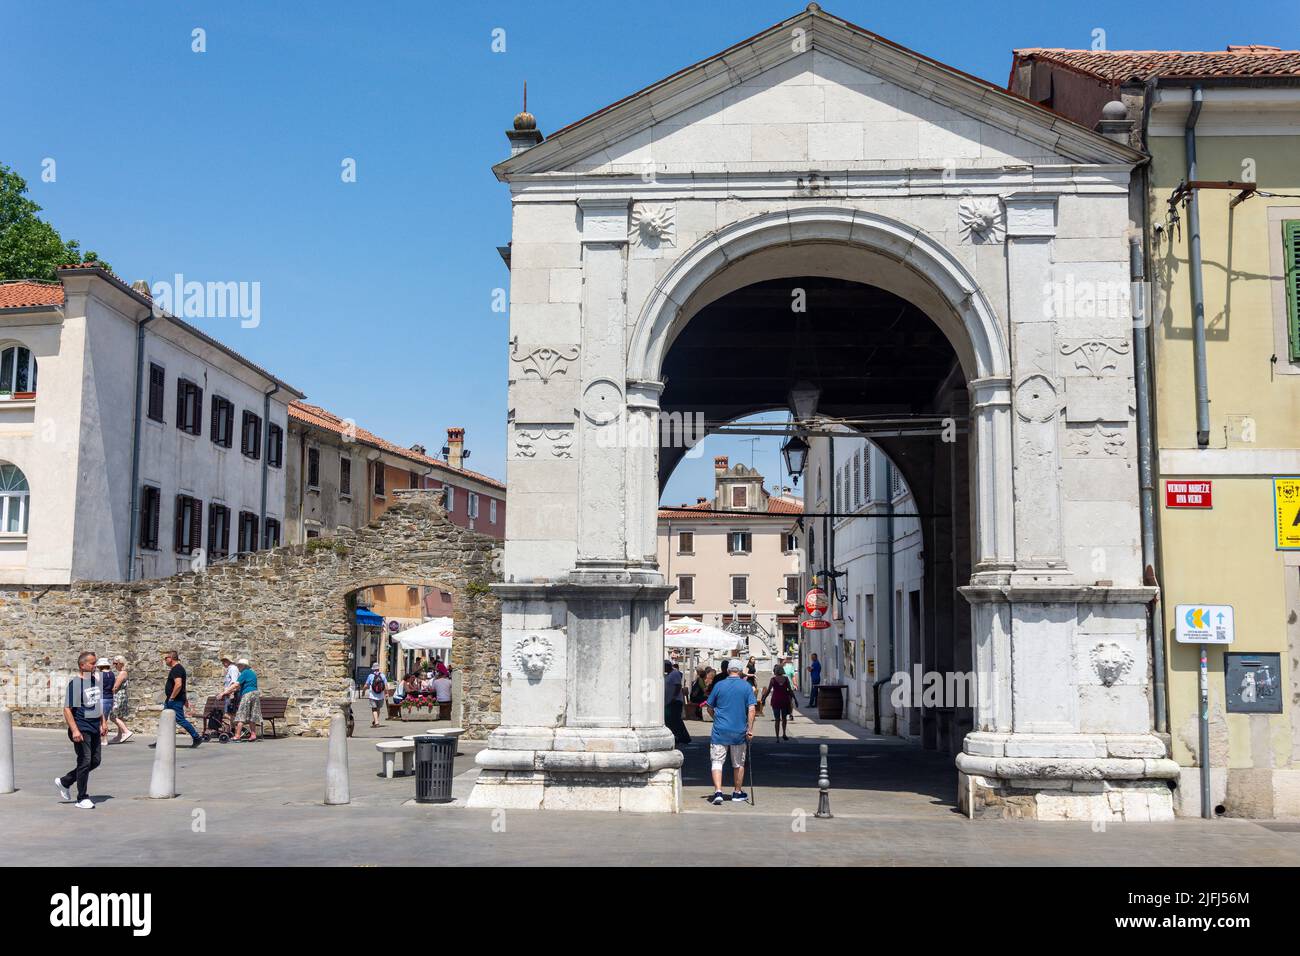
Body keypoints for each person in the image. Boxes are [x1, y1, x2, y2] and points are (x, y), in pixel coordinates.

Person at [57, 651, 107, 809]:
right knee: (84, 761)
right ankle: (82, 798)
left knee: (95, 761)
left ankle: (66, 781)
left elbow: (97, 703)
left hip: (94, 727)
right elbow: (67, 709)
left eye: (95, 663)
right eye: (92, 663)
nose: (95, 666)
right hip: (81, 727)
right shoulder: (76, 684)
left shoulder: (93, 680)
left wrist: (103, 722)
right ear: (82, 665)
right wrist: (75, 730)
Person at [704, 658, 756, 805]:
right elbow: (752, 709)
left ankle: (718, 792)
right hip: (739, 731)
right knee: (738, 763)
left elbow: (708, 707)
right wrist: (750, 729)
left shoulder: (719, 685)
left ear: (728, 670)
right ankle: (737, 792)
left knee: (717, 761)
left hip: (720, 730)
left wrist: (717, 718)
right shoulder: (746, 687)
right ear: (740, 672)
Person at [156, 650, 201, 748]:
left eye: (166, 658)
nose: (165, 660)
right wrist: (184, 699)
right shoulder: (176, 669)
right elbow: (183, 686)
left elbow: (179, 684)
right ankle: (161, 740)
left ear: (171, 658)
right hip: (172, 700)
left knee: (180, 720)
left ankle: (196, 737)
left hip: (174, 700)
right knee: (165, 719)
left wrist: (172, 697)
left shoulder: (177, 669)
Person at [220, 658, 262, 742]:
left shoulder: (245, 672)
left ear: (243, 666)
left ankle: (237, 735)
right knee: (252, 715)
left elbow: (236, 684)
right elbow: (239, 687)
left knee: (241, 715)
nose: (238, 667)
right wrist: (229, 691)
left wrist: (223, 693)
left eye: (239, 665)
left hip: (247, 694)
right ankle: (253, 735)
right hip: (255, 694)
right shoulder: (252, 673)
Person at [104, 656, 133, 744]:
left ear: (121, 663)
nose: (114, 665)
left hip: (118, 696)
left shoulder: (122, 673)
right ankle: (120, 736)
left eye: (115, 664)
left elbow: (115, 687)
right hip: (122, 696)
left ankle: (126, 731)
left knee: (113, 716)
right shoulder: (124, 672)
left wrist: (109, 692)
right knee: (119, 716)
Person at [762, 666, 796, 740]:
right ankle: (784, 733)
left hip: (776, 700)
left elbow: (768, 691)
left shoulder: (773, 680)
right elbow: (790, 690)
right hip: (784, 700)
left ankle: (777, 737)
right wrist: (795, 699)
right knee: (784, 718)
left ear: (776, 671)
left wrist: (764, 698)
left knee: (777, 719)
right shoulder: (786, 679)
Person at [663, 659, 690, 746]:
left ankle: (682, 737)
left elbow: (678, 685)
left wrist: (674, 696)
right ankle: (678, 736)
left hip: (675, 701)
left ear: (668, 666)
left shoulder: (674, 673)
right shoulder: (668, 675)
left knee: (675, 720)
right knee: (672, 720)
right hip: (669, 701)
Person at [364, 661, 388, 727]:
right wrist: (386, 693)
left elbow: (366, 685)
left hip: (372, 695)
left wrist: (363, 691)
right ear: (378, 668)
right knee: (378, 709)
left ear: (373, 669)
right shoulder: (382, 675)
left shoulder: (370, 676)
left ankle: (376, 722)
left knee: (374, 709)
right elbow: (386, 685)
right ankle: (375, 720)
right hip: (381, 695)